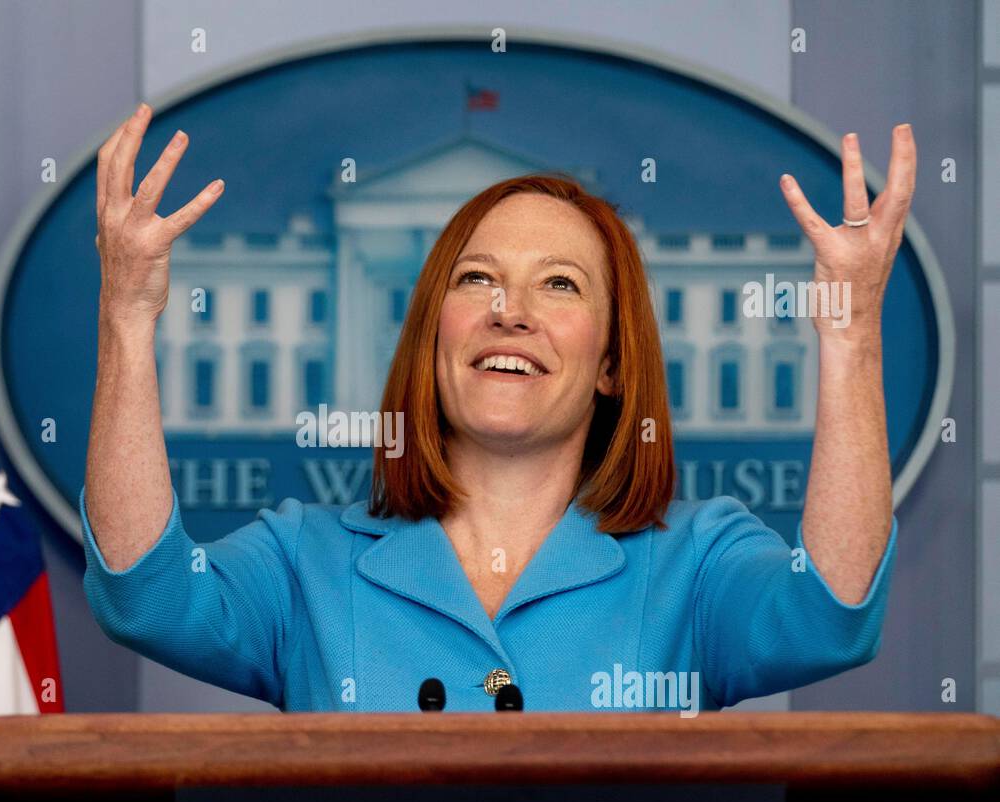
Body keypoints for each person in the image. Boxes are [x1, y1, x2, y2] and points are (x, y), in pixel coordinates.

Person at [81, 101, 913, 713]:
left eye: (559, 283)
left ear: (613, 363)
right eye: (476, 278)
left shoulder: (693, 563)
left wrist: (852, 336)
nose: (508, 310)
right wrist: (125, 313)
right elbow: (142, 592)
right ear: (432, 342)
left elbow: (830, 615)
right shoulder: (307, 562)